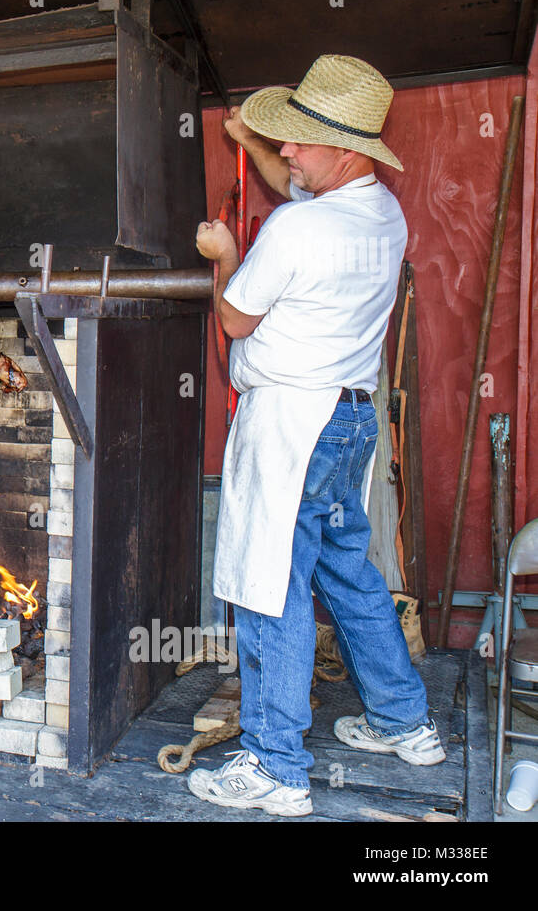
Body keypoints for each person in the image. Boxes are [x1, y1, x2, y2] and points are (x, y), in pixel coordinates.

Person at [185, 55, 444, 818]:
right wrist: (248, 137)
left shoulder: (298, 230)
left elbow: (234, 318)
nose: (287, 151)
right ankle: (405, 721)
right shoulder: (381, 212)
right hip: (350, 420)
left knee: (270, 587)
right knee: (348, 573)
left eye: (301, 139)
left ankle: (275, 766)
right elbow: (295, 182)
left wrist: (224, 258)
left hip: (293, 424)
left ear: (348, 147)